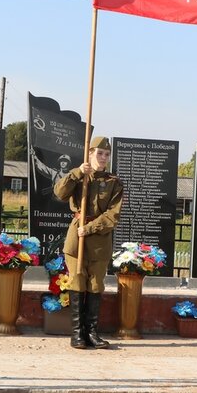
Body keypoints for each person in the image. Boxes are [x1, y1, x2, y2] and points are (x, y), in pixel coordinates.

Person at [53, 136, 124, 350]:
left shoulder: (113, 182)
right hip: (77, 238)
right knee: (77, 282)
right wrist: (77, 173)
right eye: (99, 153)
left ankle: (91, 332)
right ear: (90, 153)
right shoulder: (78, 176)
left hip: (99, 239)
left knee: (95, 285)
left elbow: (113, 215)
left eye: (107, 154)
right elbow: (59, 193)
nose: (103, 158)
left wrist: (90, 228)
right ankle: (77, 333)